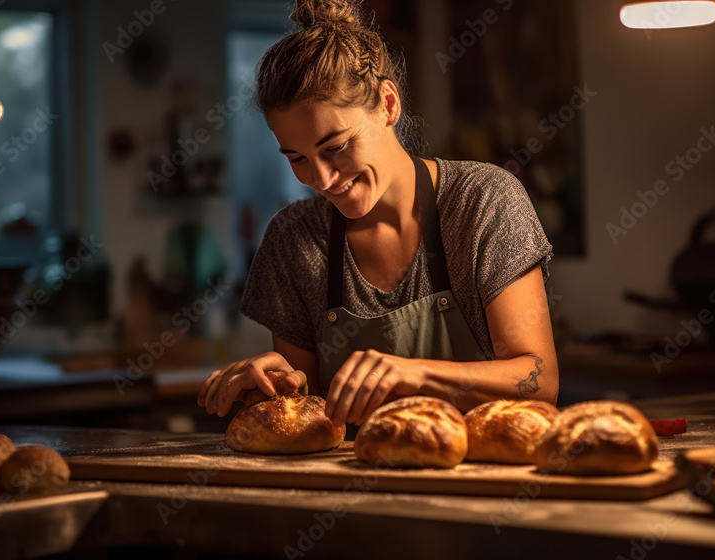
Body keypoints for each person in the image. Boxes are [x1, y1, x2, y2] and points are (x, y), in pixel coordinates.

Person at [197, 0, 558, 427]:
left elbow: (539, 383)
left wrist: (414, 373)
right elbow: (308, 413)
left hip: (481, 482)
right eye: (297, 158)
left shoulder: (484, 201)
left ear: (388, 104)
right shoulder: (293, 239)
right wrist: (276, 387)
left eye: (336, 148)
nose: (322, 178)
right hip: (352, 484)